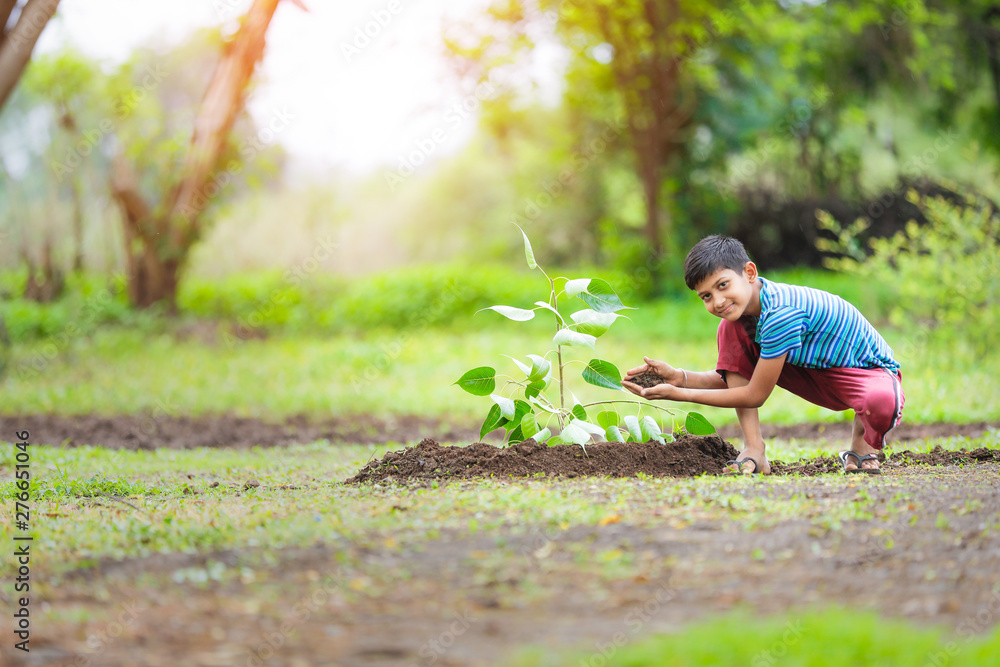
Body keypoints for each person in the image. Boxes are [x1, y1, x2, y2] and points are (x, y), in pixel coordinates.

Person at [622, 235, 903, 475]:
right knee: (730, 328)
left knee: (880, 401)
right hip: (812, 369)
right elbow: (740, 381)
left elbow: (755, 393)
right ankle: (754, 448)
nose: (717, 301)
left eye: (722, 285)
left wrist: (678, 394)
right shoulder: (746, 315)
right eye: (706, 296)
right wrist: (679, 378)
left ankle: (862, 444)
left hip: (867, 373)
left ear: (750, 272)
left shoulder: (781, 313)